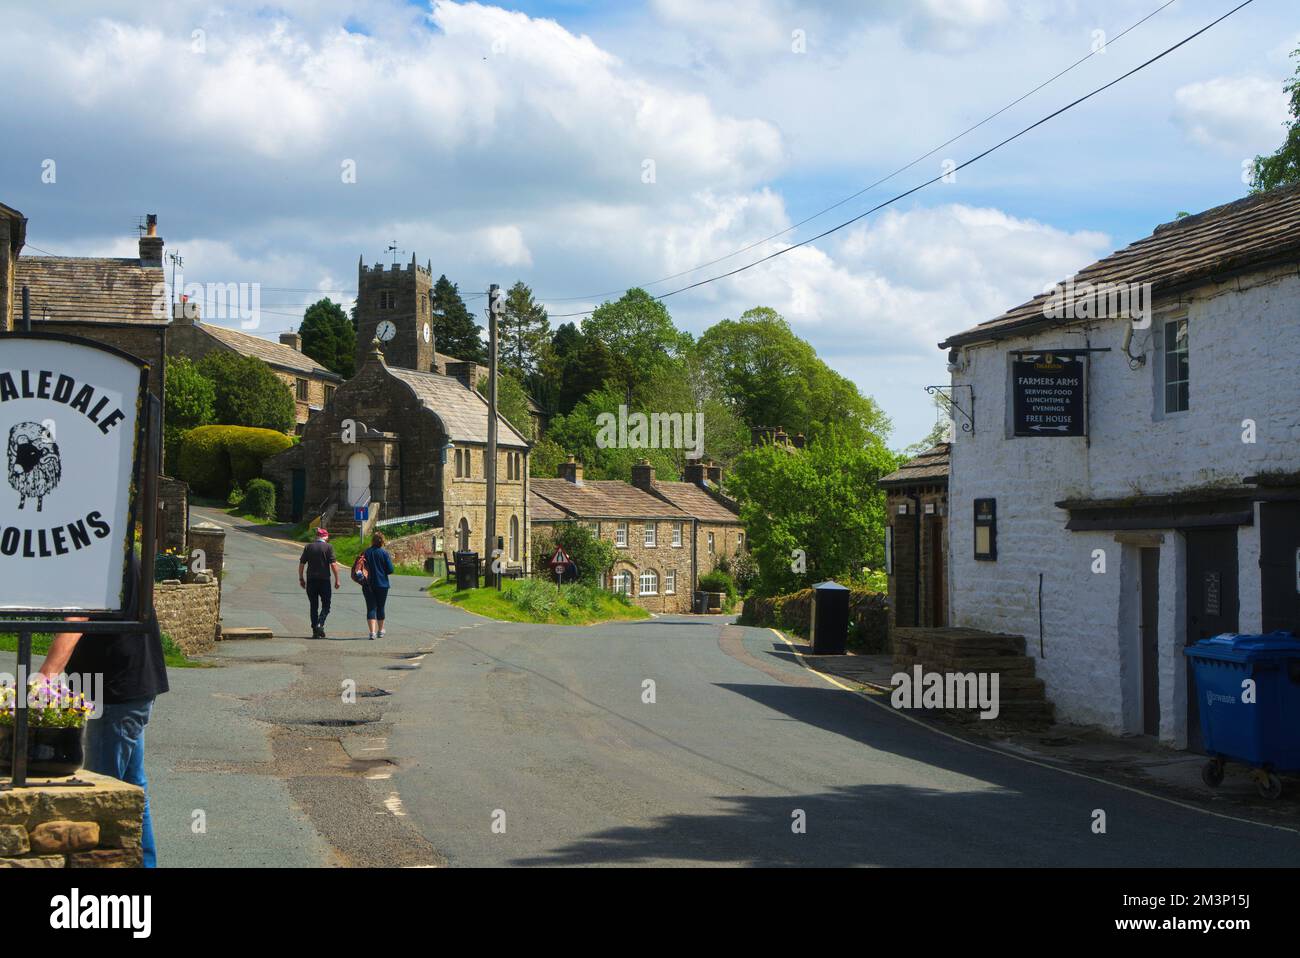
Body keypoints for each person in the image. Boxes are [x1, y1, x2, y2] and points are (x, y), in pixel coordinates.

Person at [40, 553, 169, 868]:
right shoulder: (119, 551)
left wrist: (42, 682)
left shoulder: (95, 557)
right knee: (132, 787)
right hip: (131, 685)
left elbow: (76, 622)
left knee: (101, 796)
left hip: (114, 690)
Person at [299, 528, 341, 638]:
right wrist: (337, 579)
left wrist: (301, 578)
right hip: (324, 580)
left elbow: (302, 564)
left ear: (316, 536)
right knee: (326, 604)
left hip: (311, 580)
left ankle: (315, 631)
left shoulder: (308, 547)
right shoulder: (328, 547)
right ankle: (320, 624)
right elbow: (333, 565)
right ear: (325, 537)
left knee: (314, 605)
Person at [362, 532, 394, 640]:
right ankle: (380, 631)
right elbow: (390, 570)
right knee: (381, 607)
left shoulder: (366, 552)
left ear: (372, 540)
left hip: (368, 584)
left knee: (371, 607)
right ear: (382, 541)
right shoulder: (384, 553)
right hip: (382, 584)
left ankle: (372, 632)